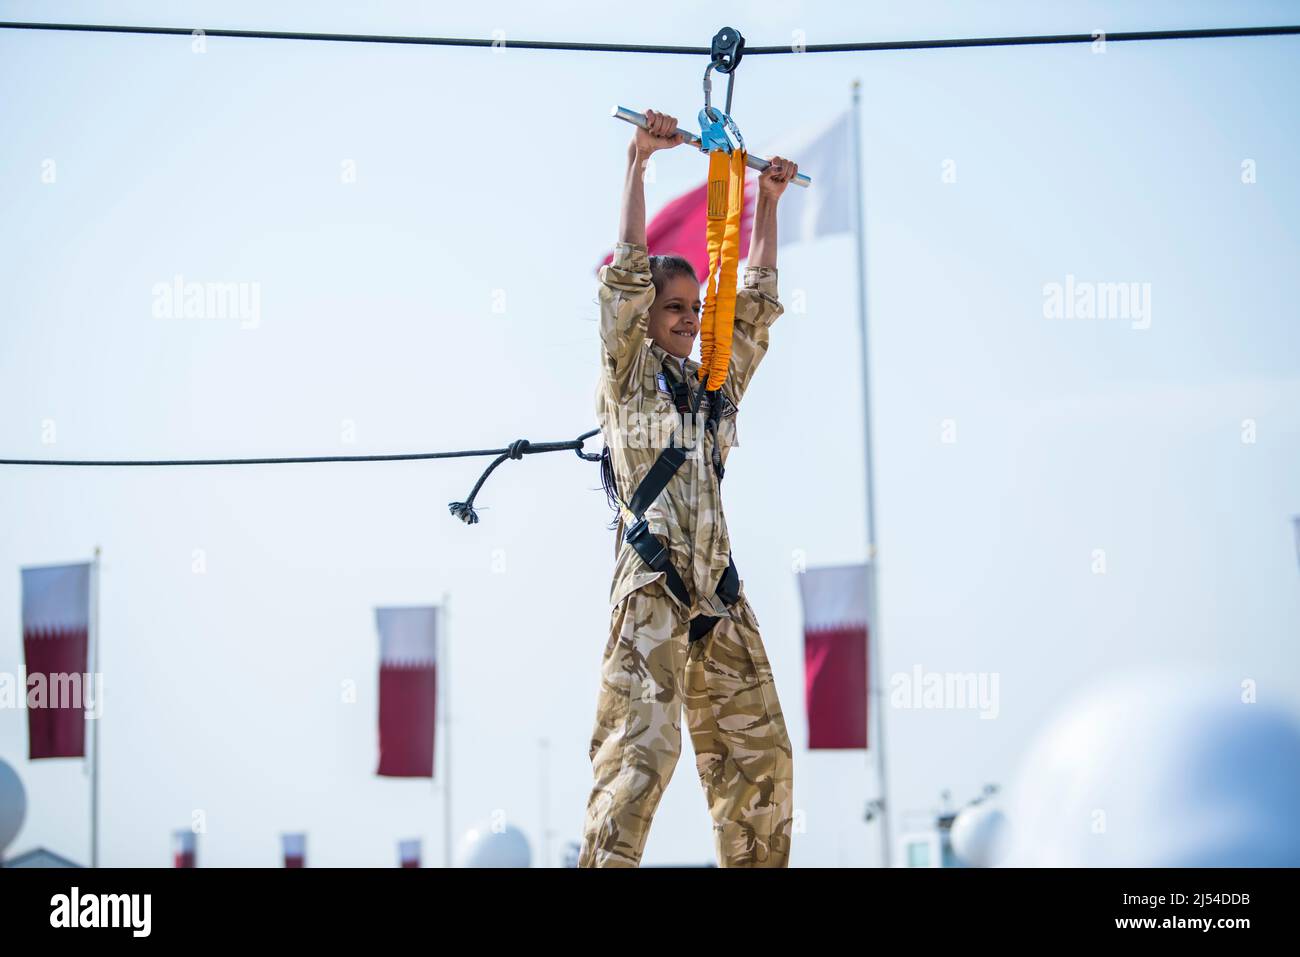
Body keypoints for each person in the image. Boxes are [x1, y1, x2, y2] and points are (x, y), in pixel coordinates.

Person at [578, 108, 799, 867]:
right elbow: (627, 277)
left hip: (719, 594)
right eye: (673, 309)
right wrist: (638, 164)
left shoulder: (712, 384)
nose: (685, 319)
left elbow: (756, 312)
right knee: (637, 767)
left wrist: (765, 204)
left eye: (693, 310)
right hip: (653, 591)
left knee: (761, 762)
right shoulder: (630, 376)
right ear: (647, 321)